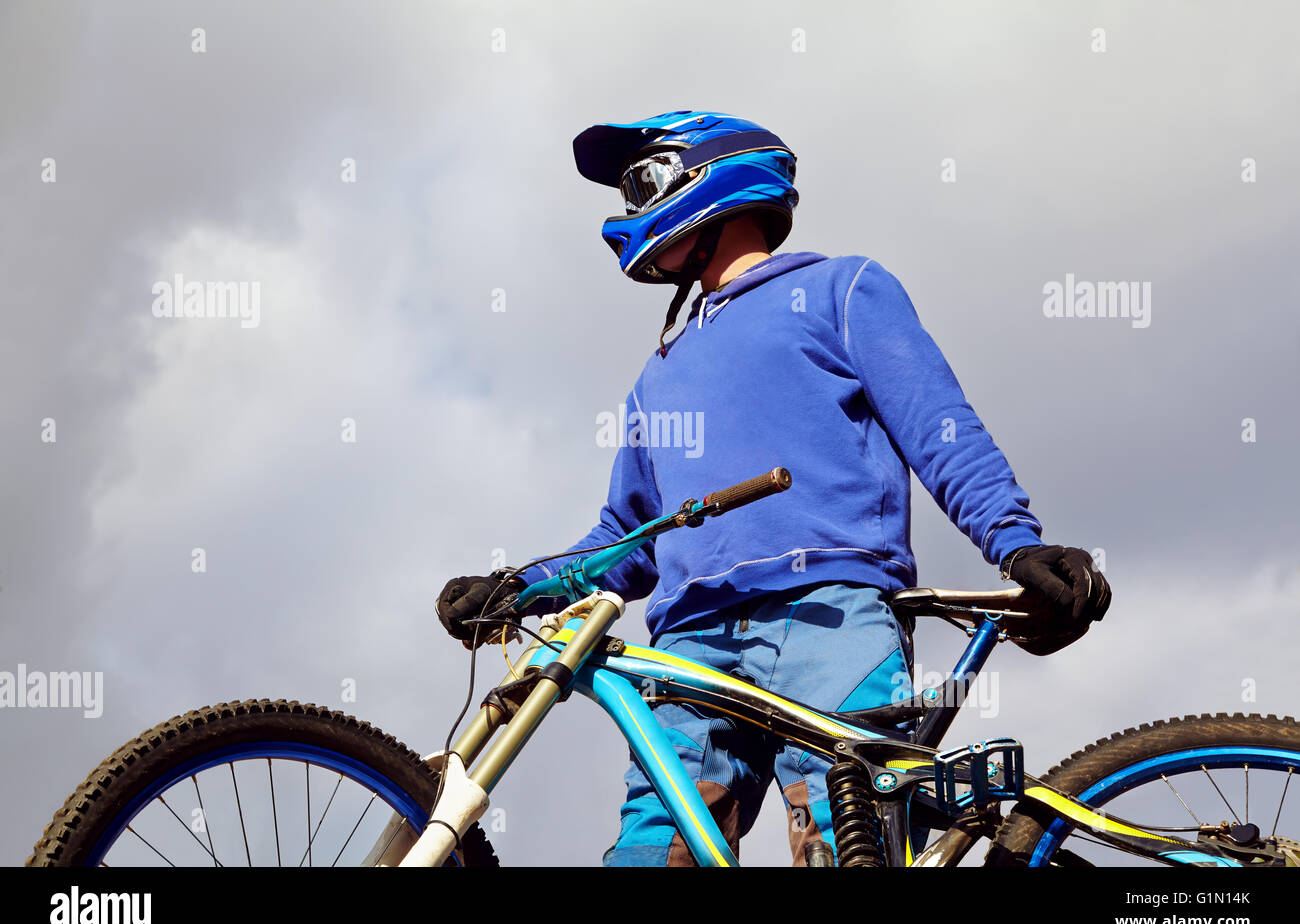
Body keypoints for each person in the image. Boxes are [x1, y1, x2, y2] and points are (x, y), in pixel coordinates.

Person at [437, 110, 1111, 866]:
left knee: (846, 840)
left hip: (826, 614)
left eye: (643, 183)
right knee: (649, 852)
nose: (629, 211)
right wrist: (521, 586)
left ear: (712, 179)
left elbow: (939, 428)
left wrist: (1016, 544)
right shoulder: (657, 373)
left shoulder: (842, 288)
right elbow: (625, 542)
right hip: (688, 645)